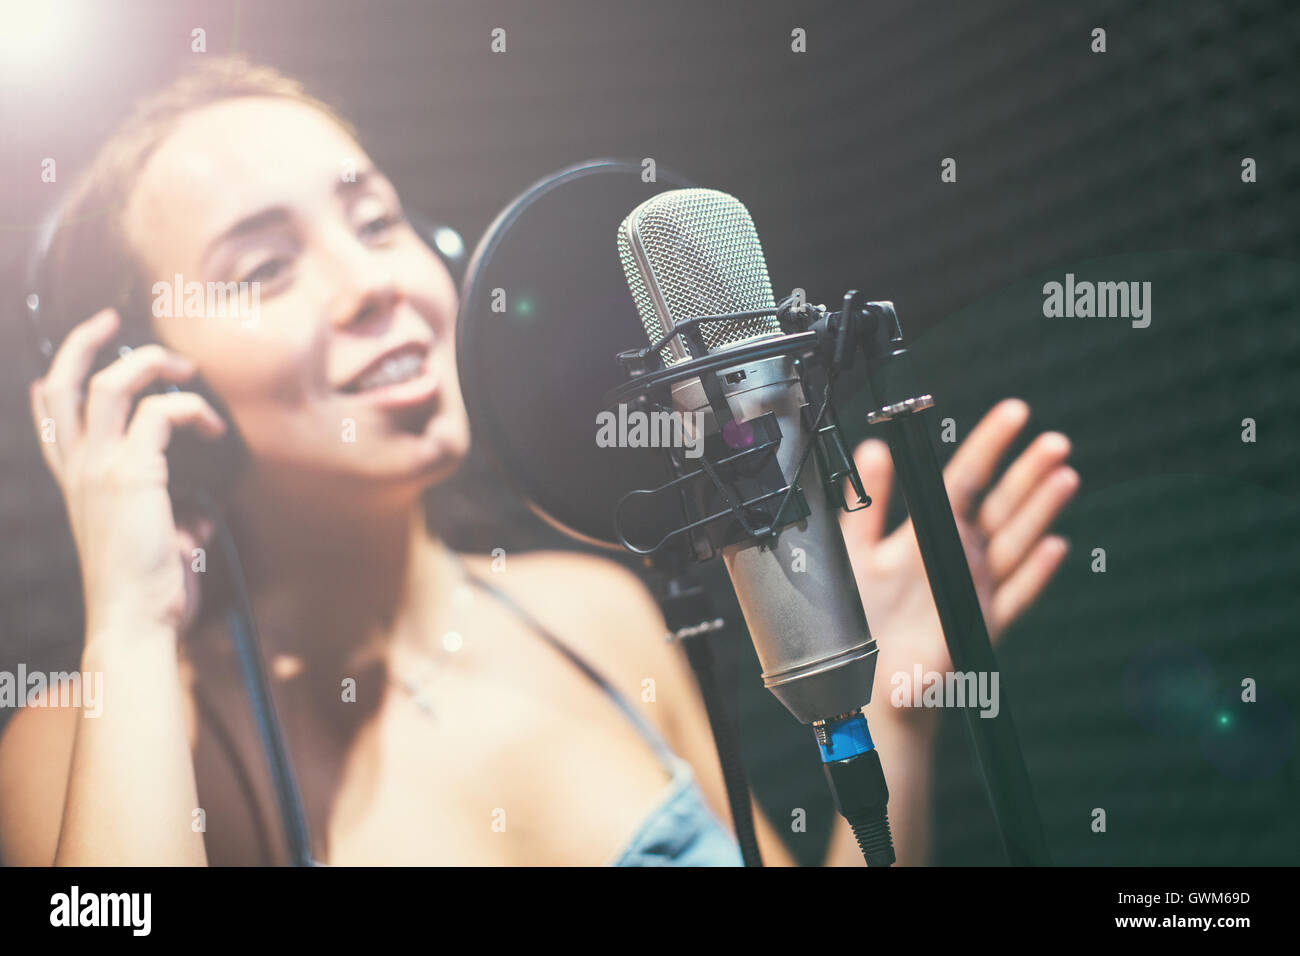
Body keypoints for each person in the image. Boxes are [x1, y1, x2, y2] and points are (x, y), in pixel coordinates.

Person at [0, 58, 1078, 866]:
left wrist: (890, 716)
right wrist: (130, 622)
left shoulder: (600, 615)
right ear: (150, 383)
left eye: (376, 221)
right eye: (266, 267)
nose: (376, 283)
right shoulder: (93, 738)